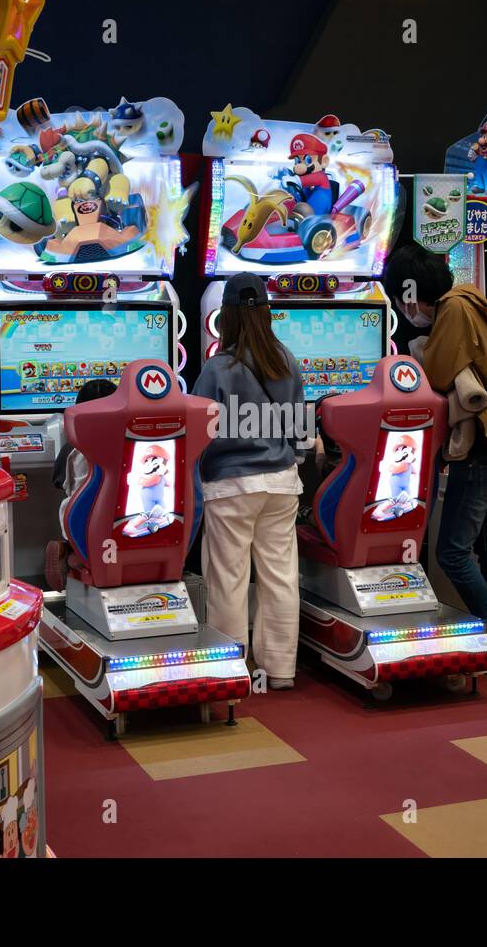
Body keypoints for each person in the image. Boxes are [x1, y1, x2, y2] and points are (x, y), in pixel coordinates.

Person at [384, 242, 487, 668]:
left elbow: (440, 372)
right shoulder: (473, 300)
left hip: (482, 445)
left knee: (452, 551)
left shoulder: (454, 311)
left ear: (412, 295)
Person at [193, 273, 305, 689]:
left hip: (231, 485)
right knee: (280, 578)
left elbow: (201, 430)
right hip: (281, 482)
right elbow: (298, 429)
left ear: (227, 318)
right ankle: (280, 671)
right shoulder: (287, 359)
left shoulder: (219, 368)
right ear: (266, 311)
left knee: (229, 580)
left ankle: (233, 671)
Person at [45, 377, 118, 591]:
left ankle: (71, 555)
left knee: (73, 504)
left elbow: (59, 482)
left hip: (86, 526)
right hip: (129, 521)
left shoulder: (74, 449)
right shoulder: (134, 443)